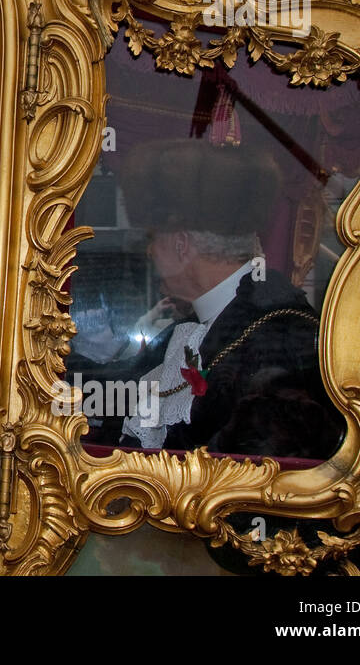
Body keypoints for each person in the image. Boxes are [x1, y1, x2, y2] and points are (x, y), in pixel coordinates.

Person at [103, 139, 344, 460]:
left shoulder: (281, 336)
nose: (149, 251)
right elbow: (116, 386)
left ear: (181, 245)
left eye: (153, 238)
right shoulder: (194, 326)